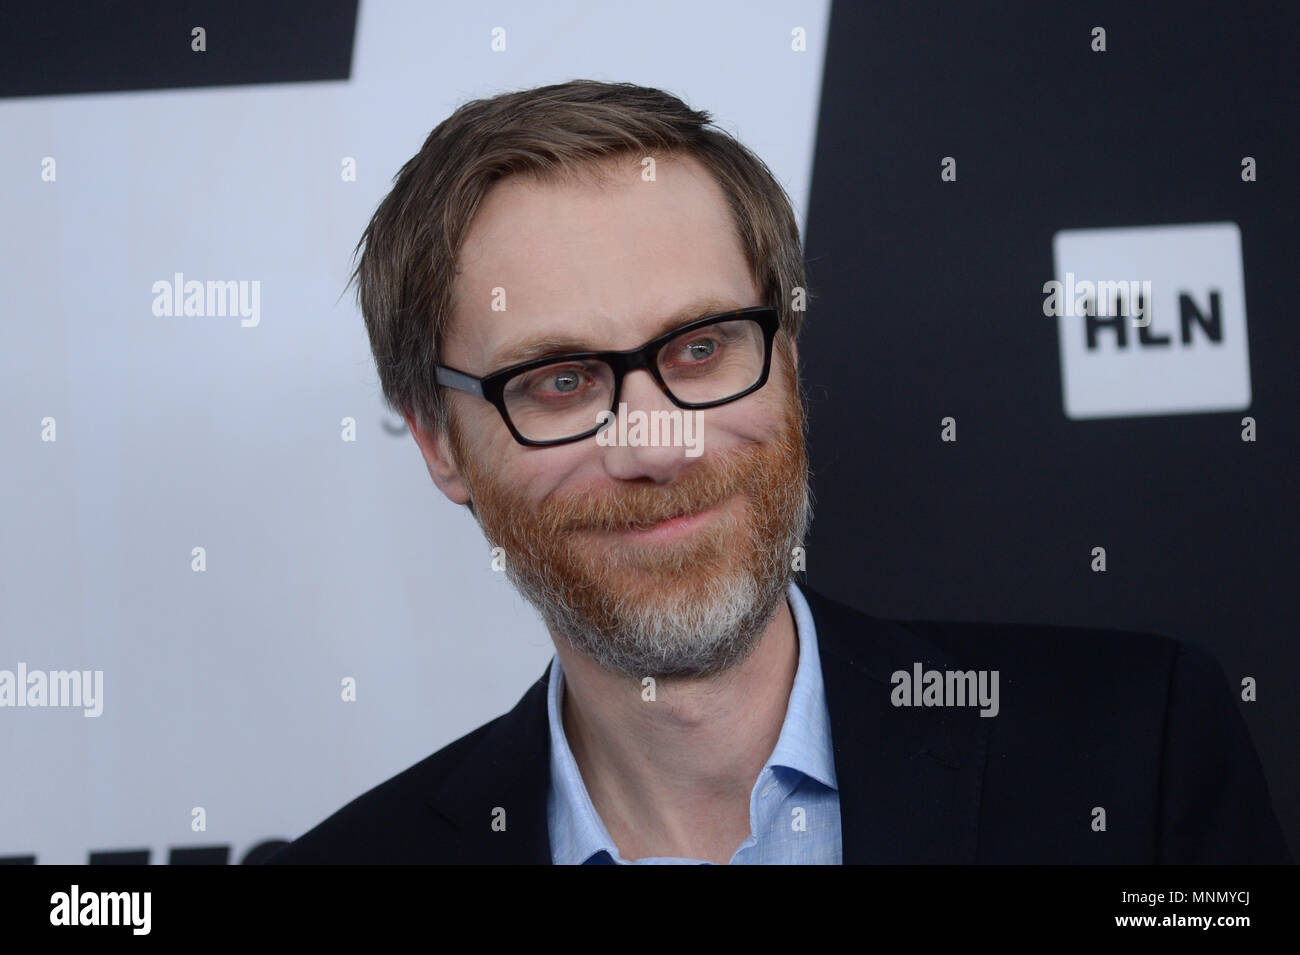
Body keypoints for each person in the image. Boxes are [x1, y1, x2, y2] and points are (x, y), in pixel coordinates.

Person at [268, 80, 1290, 864]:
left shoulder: (1134, 753)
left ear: (786, 361)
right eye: (562, 379)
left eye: (701, 348)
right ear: (441, 442)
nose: (654, 445)